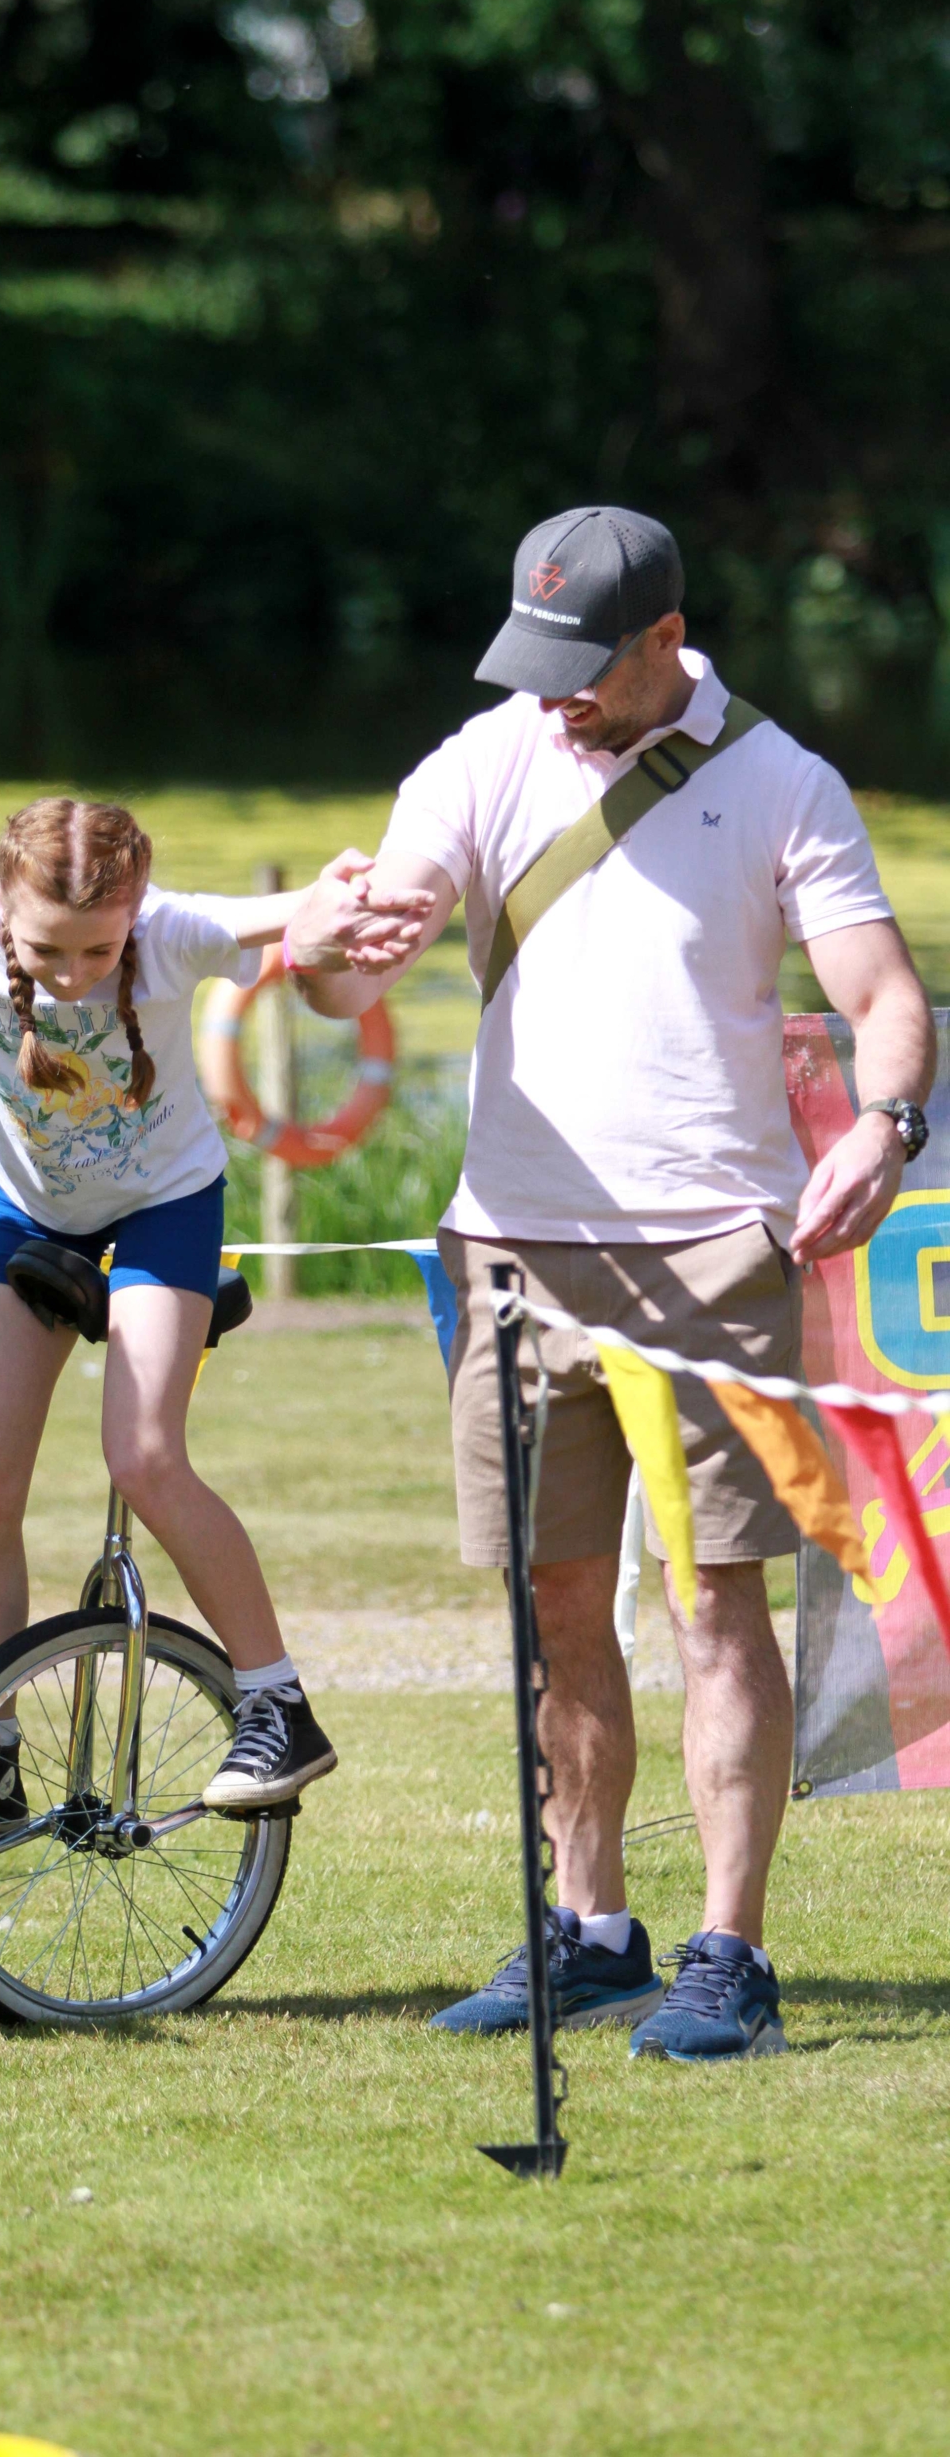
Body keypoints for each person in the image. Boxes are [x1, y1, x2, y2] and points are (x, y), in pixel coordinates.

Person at [285, 504, 936, 2062]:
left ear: (665, 638)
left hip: (709, 1247)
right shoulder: (481, 754)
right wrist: (315, 944)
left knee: (711, 1600)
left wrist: (888, 1124)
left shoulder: (782, 782)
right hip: (508, 1246)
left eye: (583, 664)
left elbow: (882, 994)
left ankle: (729, 1954)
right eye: (534, 659)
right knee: (553, 1602)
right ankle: (585, 1935)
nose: (553, 693)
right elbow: (361, 954)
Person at [0, 798, 409, 1862]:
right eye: (47, 948)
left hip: (164, 1207)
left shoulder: (169, 933)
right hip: (30, 1211)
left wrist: (344, 907)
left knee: (144, 1454)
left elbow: (289, 914)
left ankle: (280, 1706)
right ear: (2, 910)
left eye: (98, 950)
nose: (71, 973)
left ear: (135, 916)